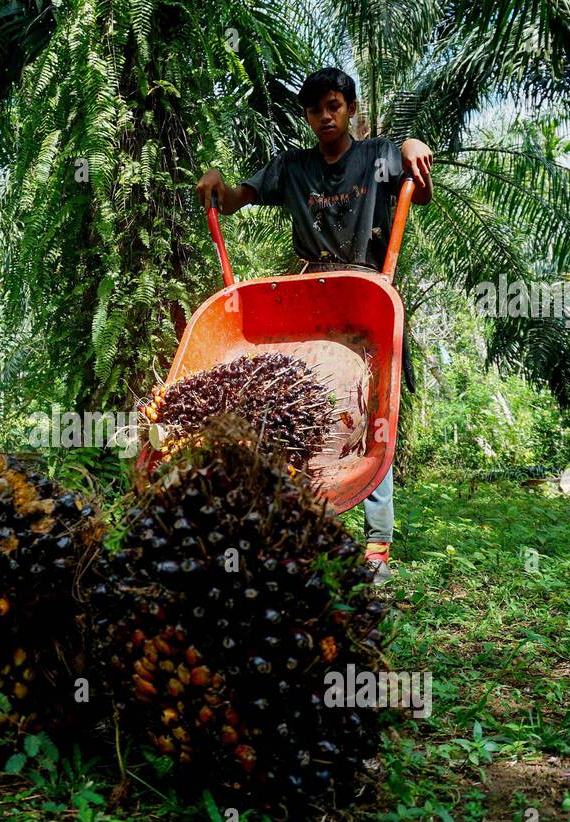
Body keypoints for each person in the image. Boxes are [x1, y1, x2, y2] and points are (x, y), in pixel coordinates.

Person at [195, 67, 433, 585]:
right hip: (310, 301)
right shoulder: (292, 167)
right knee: (298, 410)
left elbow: (419, 184)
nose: (325, 117)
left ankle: (376, 546)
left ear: (349, 108)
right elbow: (239, 198)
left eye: (334, 106)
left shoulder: (377, 156)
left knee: (374, 413)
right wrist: (220, 187)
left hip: (365, 295)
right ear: (306, 116)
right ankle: (290, 531)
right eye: (315, 109)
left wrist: (414, 143)